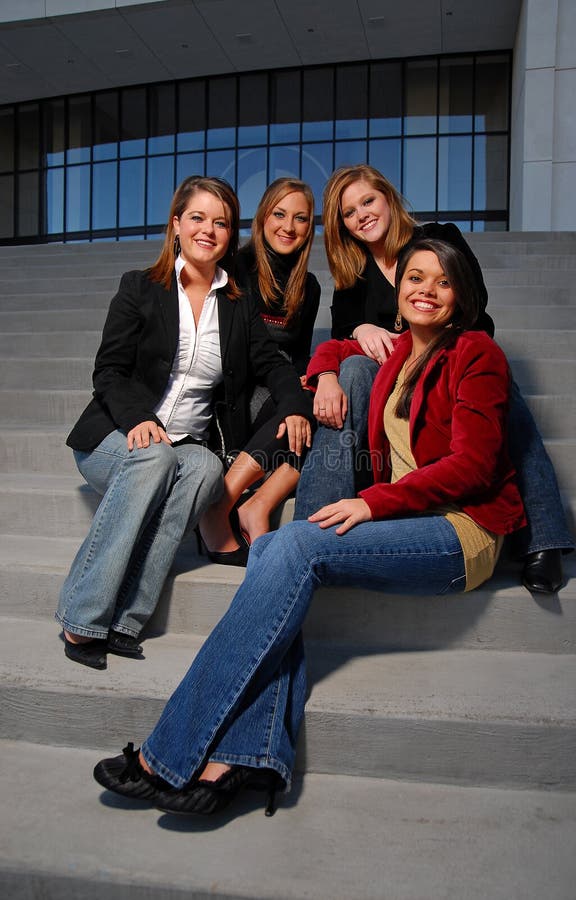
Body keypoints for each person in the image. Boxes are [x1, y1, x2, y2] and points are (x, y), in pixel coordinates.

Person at [93, 239, 525, 818]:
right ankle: (242, 758)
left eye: (442, 282)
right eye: (415, 277)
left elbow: (474, 465)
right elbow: (336, 348)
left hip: (462, 532)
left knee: (291, 545)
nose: (426, 290)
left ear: (460, 296)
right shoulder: (399, 352)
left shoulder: (476, 353)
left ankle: (165, 755)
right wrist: (324, 375)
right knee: (275, 548)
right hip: (408, 521)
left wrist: (373, 502)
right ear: (399, 289)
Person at [55, 175, 310, 670]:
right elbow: (108, 372)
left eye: (221, 223)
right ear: (176, 224)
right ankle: (80, 616)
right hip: (114, 437)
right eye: (197, 218)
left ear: (230, 236)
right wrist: (138, 419)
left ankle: (127, 619)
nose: (208, 230)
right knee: (155, 458)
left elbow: (272, 364)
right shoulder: (140, 287)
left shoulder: (237, 303)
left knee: (205, 469)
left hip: (182, 446)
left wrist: (297, 403)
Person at [295, 164, 574, 593]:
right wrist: (356, 335)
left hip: (455, 354)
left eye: (368, 201)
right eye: (349, 212)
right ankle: (315, 522)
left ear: (388, 198)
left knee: (499, 388)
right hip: (396, 370)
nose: (361, 215)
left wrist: (424, 337)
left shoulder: (438, 237)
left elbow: (474, 300)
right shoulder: (353, 275)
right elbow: (340, 336)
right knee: (350, 370)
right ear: (342, 225)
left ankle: (543, 538)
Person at [196, 178, 319, 552]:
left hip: (280, 390)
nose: (288, 226)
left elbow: (299, 354)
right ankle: (222, 502)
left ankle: (259, 505)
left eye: (300, 218)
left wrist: (306, 380)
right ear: (263, 217)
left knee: (324, 405)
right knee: (301, 405)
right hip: (239, 393)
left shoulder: (309, 287)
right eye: (279, 214)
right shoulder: (235, 268)